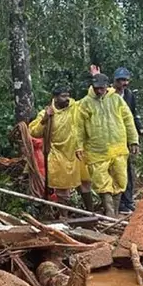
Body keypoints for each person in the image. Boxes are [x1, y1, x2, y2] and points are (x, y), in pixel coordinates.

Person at [74, 74, 140, 217]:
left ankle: (114, 213)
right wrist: (78, 146)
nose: (99, 91)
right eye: (97, 88)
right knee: (101, 183)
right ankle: (110, 214)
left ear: (107, 86)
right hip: (97, 150)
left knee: (120, 180)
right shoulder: (85, 103)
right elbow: (79, 128)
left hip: (118, 148)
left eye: (102, 88)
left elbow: (128, 119)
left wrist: (133, 140)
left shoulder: (116, 99)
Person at [28, 86, 94, 214]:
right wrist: (45, 119)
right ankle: (64, 216)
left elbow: (89, 101)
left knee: (85, 183)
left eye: (68, 95)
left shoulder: (75, 108)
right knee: (62, 188)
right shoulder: (46, 113)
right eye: (63, 96)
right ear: (55, 98)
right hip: (58, 154)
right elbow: (34, 132)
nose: (67, 99)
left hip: (76, 153)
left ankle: (91, 213)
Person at [112, 67, 143, 213]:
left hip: (125, 137)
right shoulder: (109, 95)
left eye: (125, 80)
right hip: (111, 137)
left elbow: (133, 115)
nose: (123, 83)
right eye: (120, 80)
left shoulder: (129, 95)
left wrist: (139, 129)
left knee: (128, 169)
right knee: (115, 170)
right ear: (115, 81)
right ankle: (117, 203)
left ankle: (128, 200)